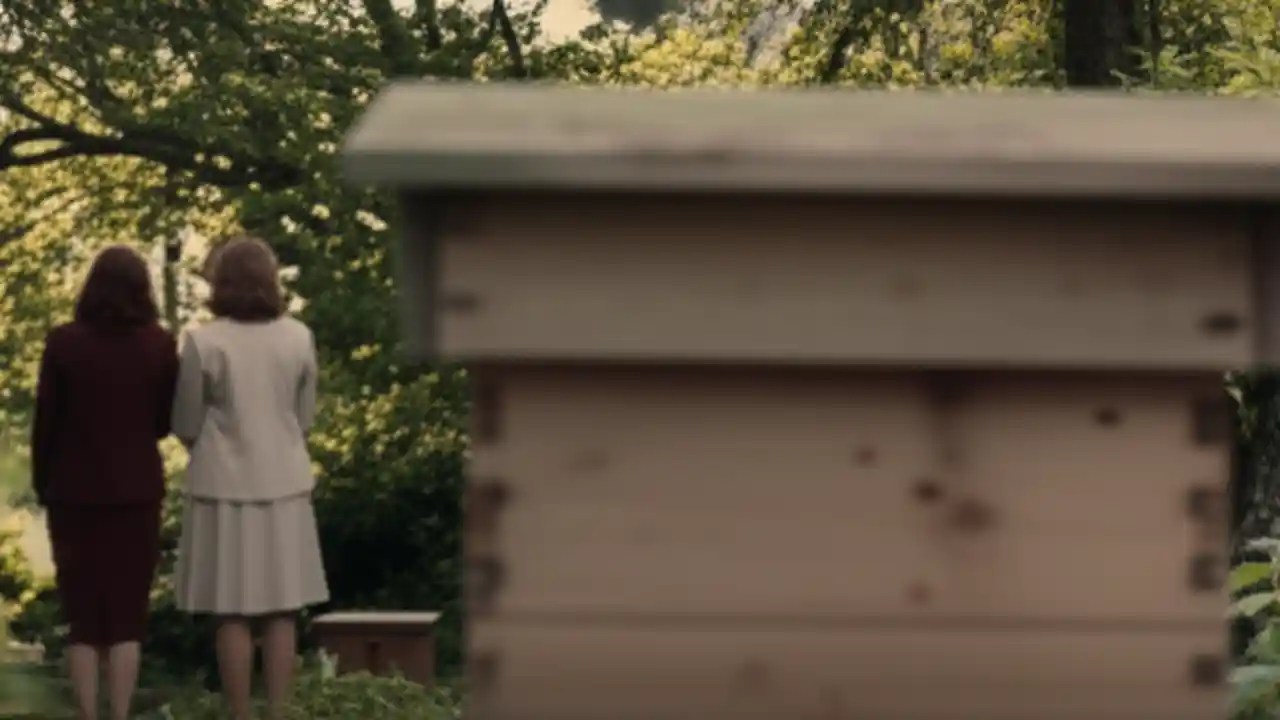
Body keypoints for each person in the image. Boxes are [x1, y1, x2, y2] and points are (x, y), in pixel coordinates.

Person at [172, 235, 329, 720]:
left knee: (231, 610)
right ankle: (278, 713)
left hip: (222, 487)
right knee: (282, 609)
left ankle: (240, 715)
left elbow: (185, 424)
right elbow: (303, 419)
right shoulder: (298, 337)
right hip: (284, 483)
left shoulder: (203, 341)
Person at [31, 246, 178, 720]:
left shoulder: (62, 343)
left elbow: (45, 424)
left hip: (72, 494)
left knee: (83, 621)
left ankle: (88, 714)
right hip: (135, 494)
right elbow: (162, 422)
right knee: (125, 619)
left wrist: (43, 484)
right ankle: (120, 713)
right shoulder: (158, 344)